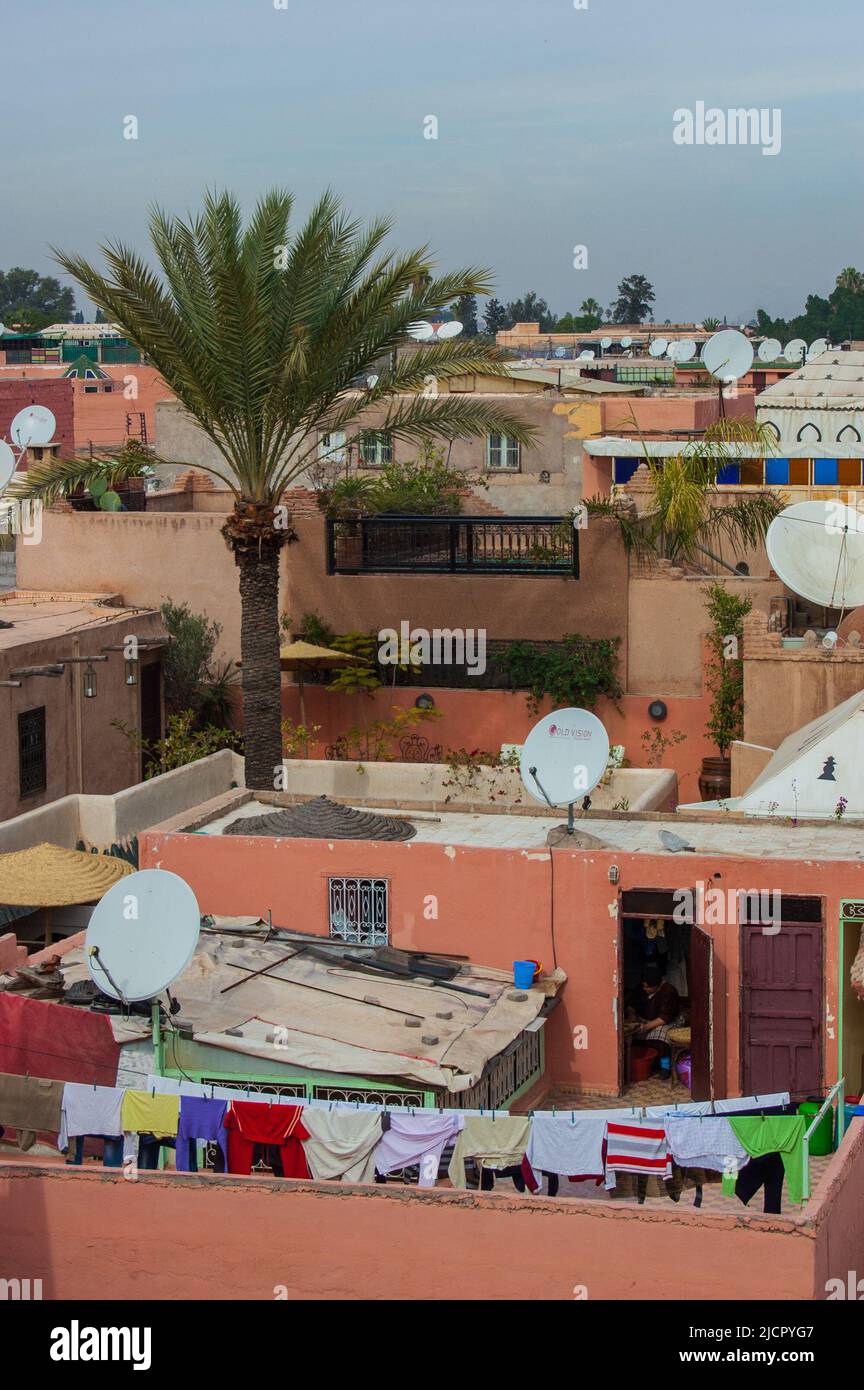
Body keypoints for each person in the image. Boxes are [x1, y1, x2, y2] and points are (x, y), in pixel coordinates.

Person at [626, 963, 680, 1041]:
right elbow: (631, 1004)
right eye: (644, 986)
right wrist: (632, 1015)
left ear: (657, 985)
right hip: (643, 1020)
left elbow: (664, 1018)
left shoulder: (669, 991)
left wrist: (645, 1027)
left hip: (662, 1023)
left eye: (648, 987)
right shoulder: (641, 988)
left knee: (658, 1039)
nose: (645, 989)